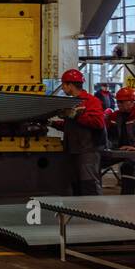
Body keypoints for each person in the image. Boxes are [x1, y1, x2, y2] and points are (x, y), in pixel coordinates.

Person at [50, 68, 106, 196]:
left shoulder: (90, 101)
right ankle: (79, 214)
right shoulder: (72, 103)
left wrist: (76, 116)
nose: (63, 88)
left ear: (70, 85)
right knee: (75, 185)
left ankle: (95, 213)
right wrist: (51, 123)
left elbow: (98, 123)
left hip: (88, 150)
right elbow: (71, 126)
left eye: (64, 84)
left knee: (89, 184)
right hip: (73, 150)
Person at [104, 86, 135, 194]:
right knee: (97, 161)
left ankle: (127, 197)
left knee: (128, 166)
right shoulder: (115, 115)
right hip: (119, 150)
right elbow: (103, 127)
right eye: (118, 102)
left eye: (122, 102)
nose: (119, 104)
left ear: (132, 102)